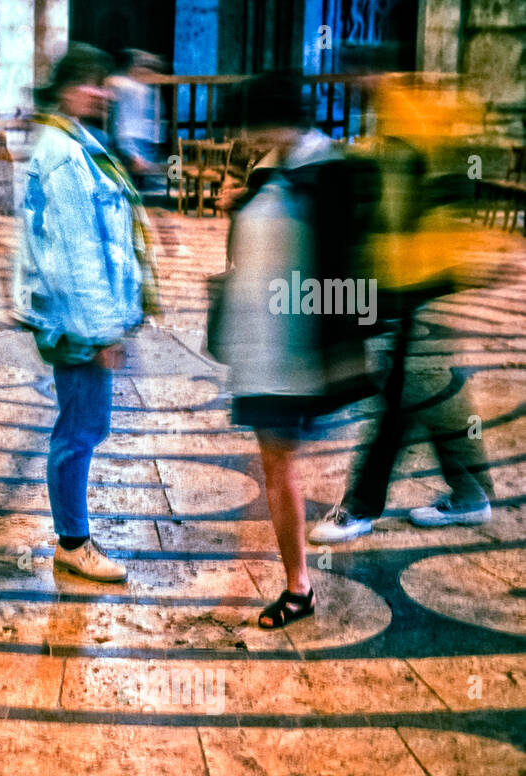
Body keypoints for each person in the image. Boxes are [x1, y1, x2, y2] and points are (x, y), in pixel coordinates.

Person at [210, 73, 379, 627]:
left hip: (295, 351)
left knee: (281, 465)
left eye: (254, 128)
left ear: (277, 120)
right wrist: (238, 206)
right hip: (259, 347)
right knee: (276, 464)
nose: (249, 140)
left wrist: (345, 342)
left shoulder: (326, 172)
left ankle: (299, 586)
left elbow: (349, 264)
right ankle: (297, 581)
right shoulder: (269, 170)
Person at [309, 74, 494, 543]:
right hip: (411, 285)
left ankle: (361, 507)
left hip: (419, 284)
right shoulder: (401, 130)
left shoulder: (412, 123)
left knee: (405, 397)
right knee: (418, 397)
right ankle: (469, 493)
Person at [15, 44, 159, 585]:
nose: (103, 93)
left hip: (77, 318)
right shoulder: (61, 153)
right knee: (80, 428)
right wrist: (102, 331)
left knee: (83, 424)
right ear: (71, 86)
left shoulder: (69, 139)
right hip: (77, 322)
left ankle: (72, 535)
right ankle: (73, 542)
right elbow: (77, 255)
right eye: (95, 84)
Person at [108, 50, 164, 186]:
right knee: (135, 164)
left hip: (145, 136)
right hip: (130, 134)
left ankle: (143, 186)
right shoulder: (126, 84)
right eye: (142, 68)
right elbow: (111, 81)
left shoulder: (148, 90)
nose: (147, 73)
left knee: (144, 166)